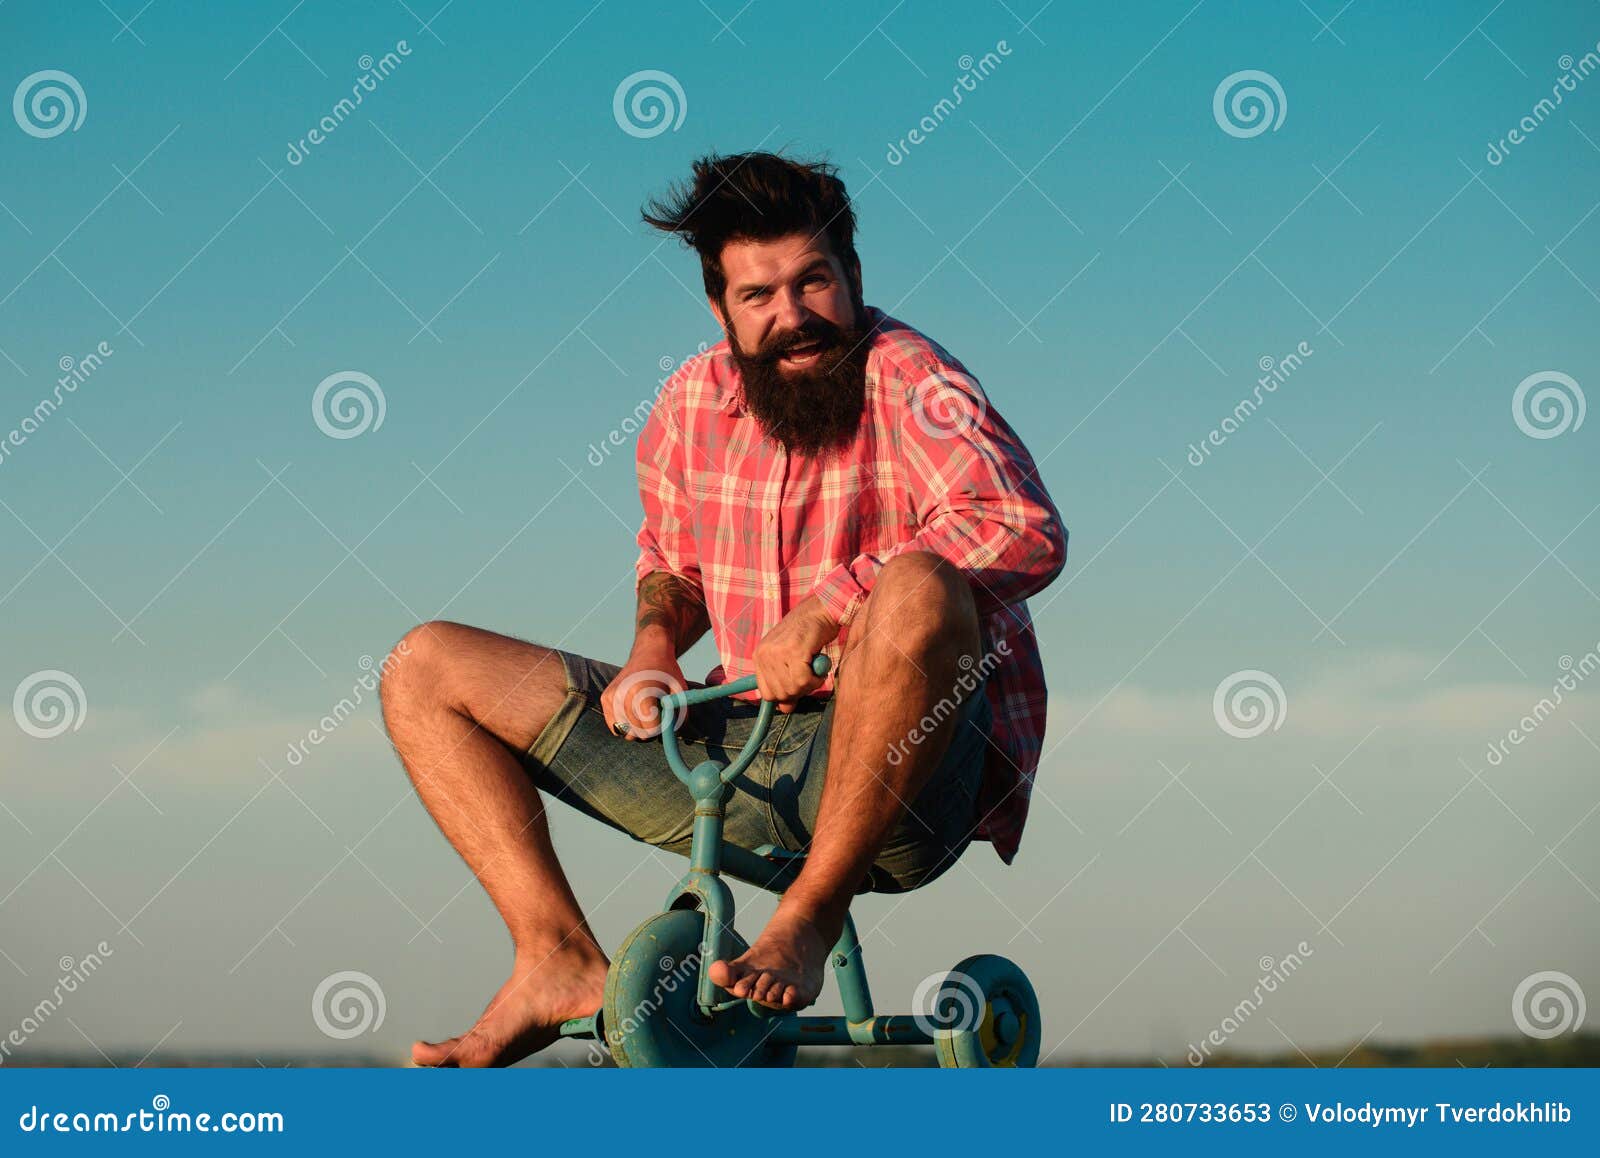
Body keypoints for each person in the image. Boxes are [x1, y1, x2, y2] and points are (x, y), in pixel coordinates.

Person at [380, 152, 1067, 1067]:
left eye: (813, 281)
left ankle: (811, 918)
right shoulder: (690, 401)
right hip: (740, 748)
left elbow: (1022, 527)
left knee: (917, 583)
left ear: (853, 277)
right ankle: (555, 957)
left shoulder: (913, 379)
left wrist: (829, 611)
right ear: (720, 309)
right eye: (759, 296)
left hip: (907, 776)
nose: (793, 315)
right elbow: (673, 563)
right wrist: (653, 650)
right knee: (424, 666)